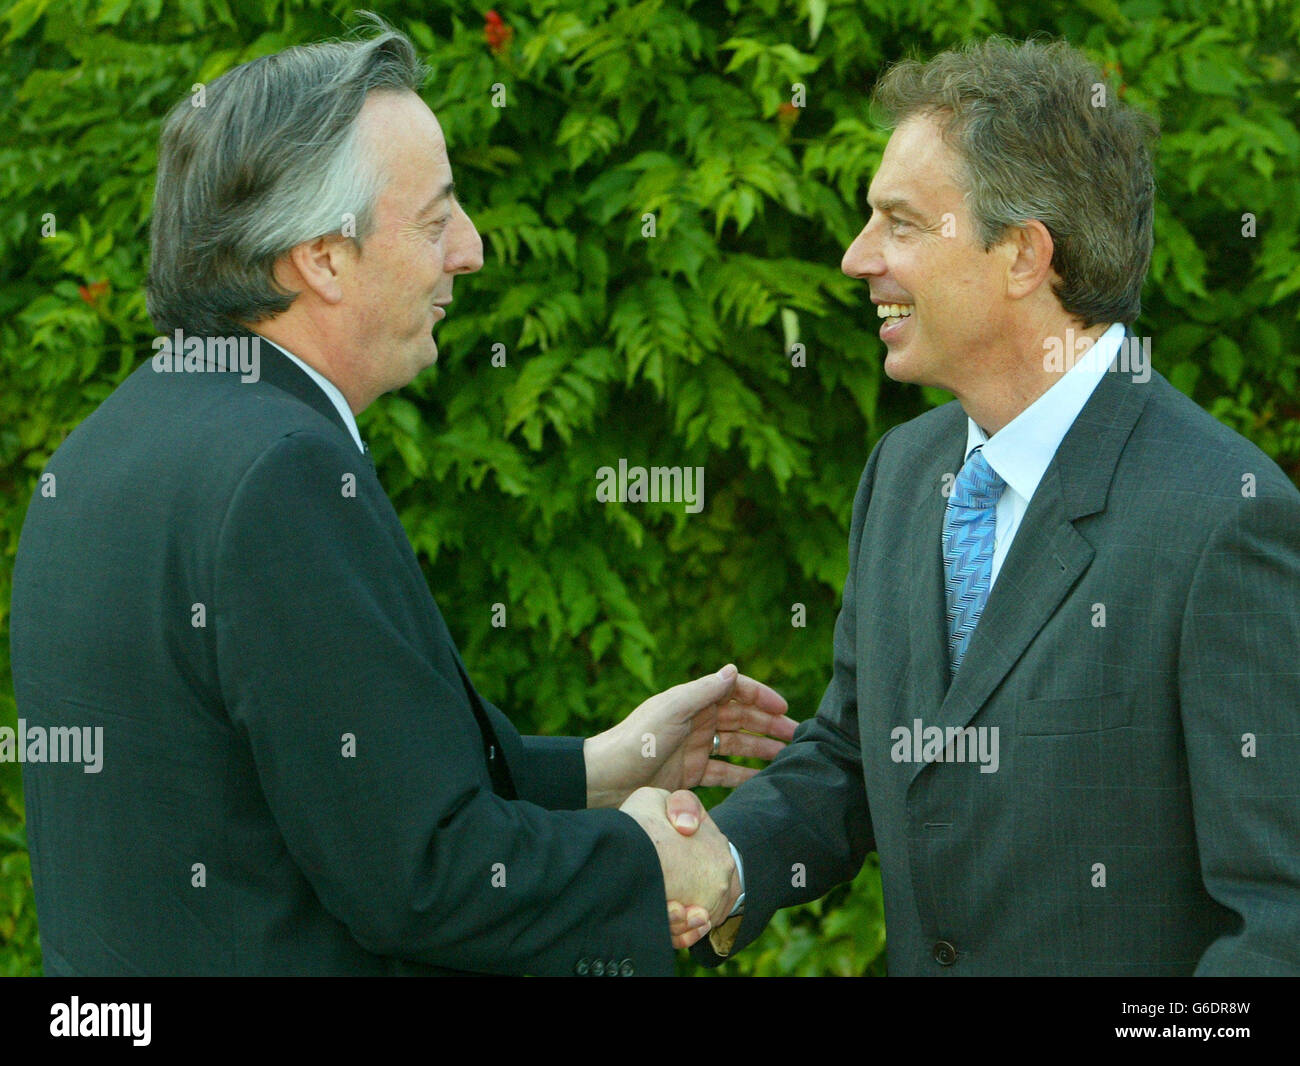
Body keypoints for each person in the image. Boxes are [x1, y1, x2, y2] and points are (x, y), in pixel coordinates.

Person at [8, 22, 792, 977]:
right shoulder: (280, 471)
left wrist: (606, 762)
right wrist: (646, 857)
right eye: (434, 218)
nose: (471, 248)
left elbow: (330, 780)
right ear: (322, 260)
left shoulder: (105, 448)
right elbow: (421, 876)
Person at [671, 36, 1300, 975]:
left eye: (903, 223)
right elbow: (854, 753)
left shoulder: (1226, 518)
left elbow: (1277, 924)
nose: (856, 258)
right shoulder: (903, 471)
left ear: (1021, 255)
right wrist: (717, 861)